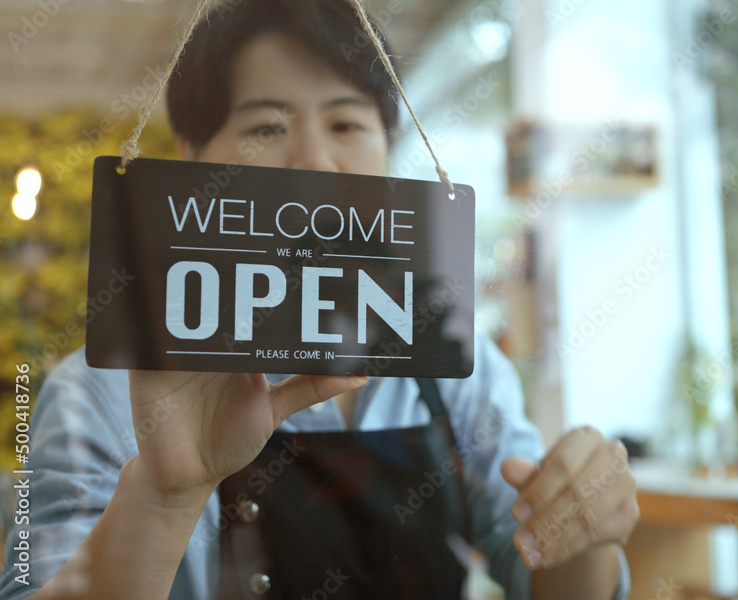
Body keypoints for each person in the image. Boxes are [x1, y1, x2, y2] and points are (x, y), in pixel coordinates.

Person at [0, 1, 638, 599]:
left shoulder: (450, 360)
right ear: (192, 157)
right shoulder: (99, 388)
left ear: (388, 152)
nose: (315, 161)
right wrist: (163, 498)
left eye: (347, 122)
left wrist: (585, 532)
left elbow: (536, 568)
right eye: (267, 125)